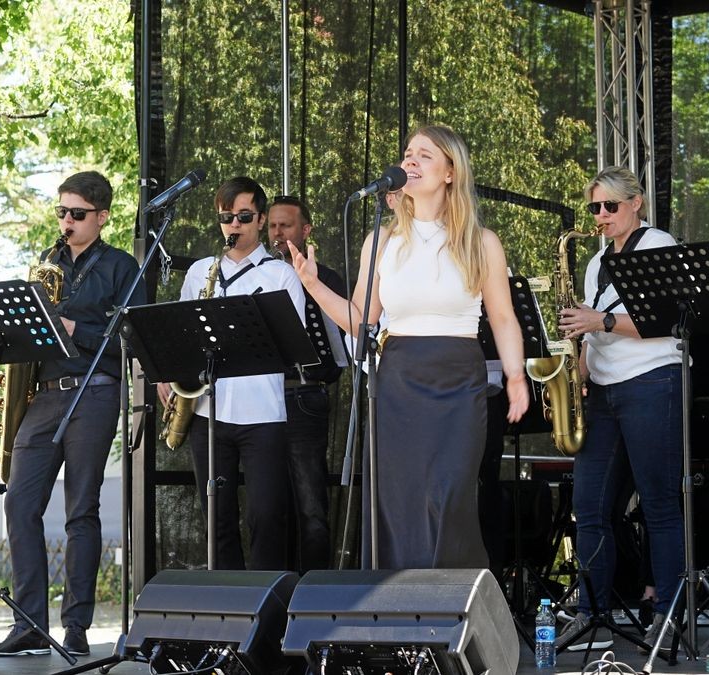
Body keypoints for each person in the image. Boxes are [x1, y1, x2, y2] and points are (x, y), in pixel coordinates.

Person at [289, 124, 528, 570]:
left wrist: (516, 376)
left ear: (451, 172)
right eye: (407, 154)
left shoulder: (481, 241)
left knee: (449, 497)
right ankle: (395, 613)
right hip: (397, 380)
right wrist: (313, 285)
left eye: (424, 155)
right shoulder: (382, 241)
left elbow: (502, 318)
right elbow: (362, 321)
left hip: (459, 380)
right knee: (398, 504)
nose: (410, 161)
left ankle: (448, 613)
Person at [0, 171, 145, 656]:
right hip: (43, 394)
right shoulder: (46, 262)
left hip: (95, 391)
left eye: (76, 214)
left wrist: (72, 325)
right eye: (61, 212)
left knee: (81, 509)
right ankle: (29, 624)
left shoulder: (123, 267)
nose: (66, 221)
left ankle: (76, 625)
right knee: (18, 502)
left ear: (101, 217)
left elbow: (132, 338)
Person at [551, 166, 683, 653]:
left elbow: (667, 320)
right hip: (603, 390)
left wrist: (600, 319)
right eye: (595, 208)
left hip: (652, 382)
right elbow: (591, 333)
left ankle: (667, 614)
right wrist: (574, 377)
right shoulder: (595, 262)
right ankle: (590, 612)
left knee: (660, 506)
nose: (601, 216)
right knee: (589, 508)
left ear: (636, 204)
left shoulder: (658, 246)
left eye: (610, 206)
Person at [158, 177, 304, 571]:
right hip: (208, 412)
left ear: (259, 219)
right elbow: (180, 332)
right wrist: (167, 373)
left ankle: (268, 609)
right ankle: (227, 609)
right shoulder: (201, 272)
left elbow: (294, 344)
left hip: (263, 416)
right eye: (227, 217)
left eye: (243, 216)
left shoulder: (281, 276)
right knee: (216, 519)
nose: (234, 225)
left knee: (266, 517)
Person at [266, 195, 348, 572]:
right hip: (260, 402)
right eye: (272, 226)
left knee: (311, 505)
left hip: (303, 395)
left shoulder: (326, 279)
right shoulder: (257, 271)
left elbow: (338, 358)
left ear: (306, 230)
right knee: (267, 507)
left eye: (286, 225)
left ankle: (315, 597)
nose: (277, 233)